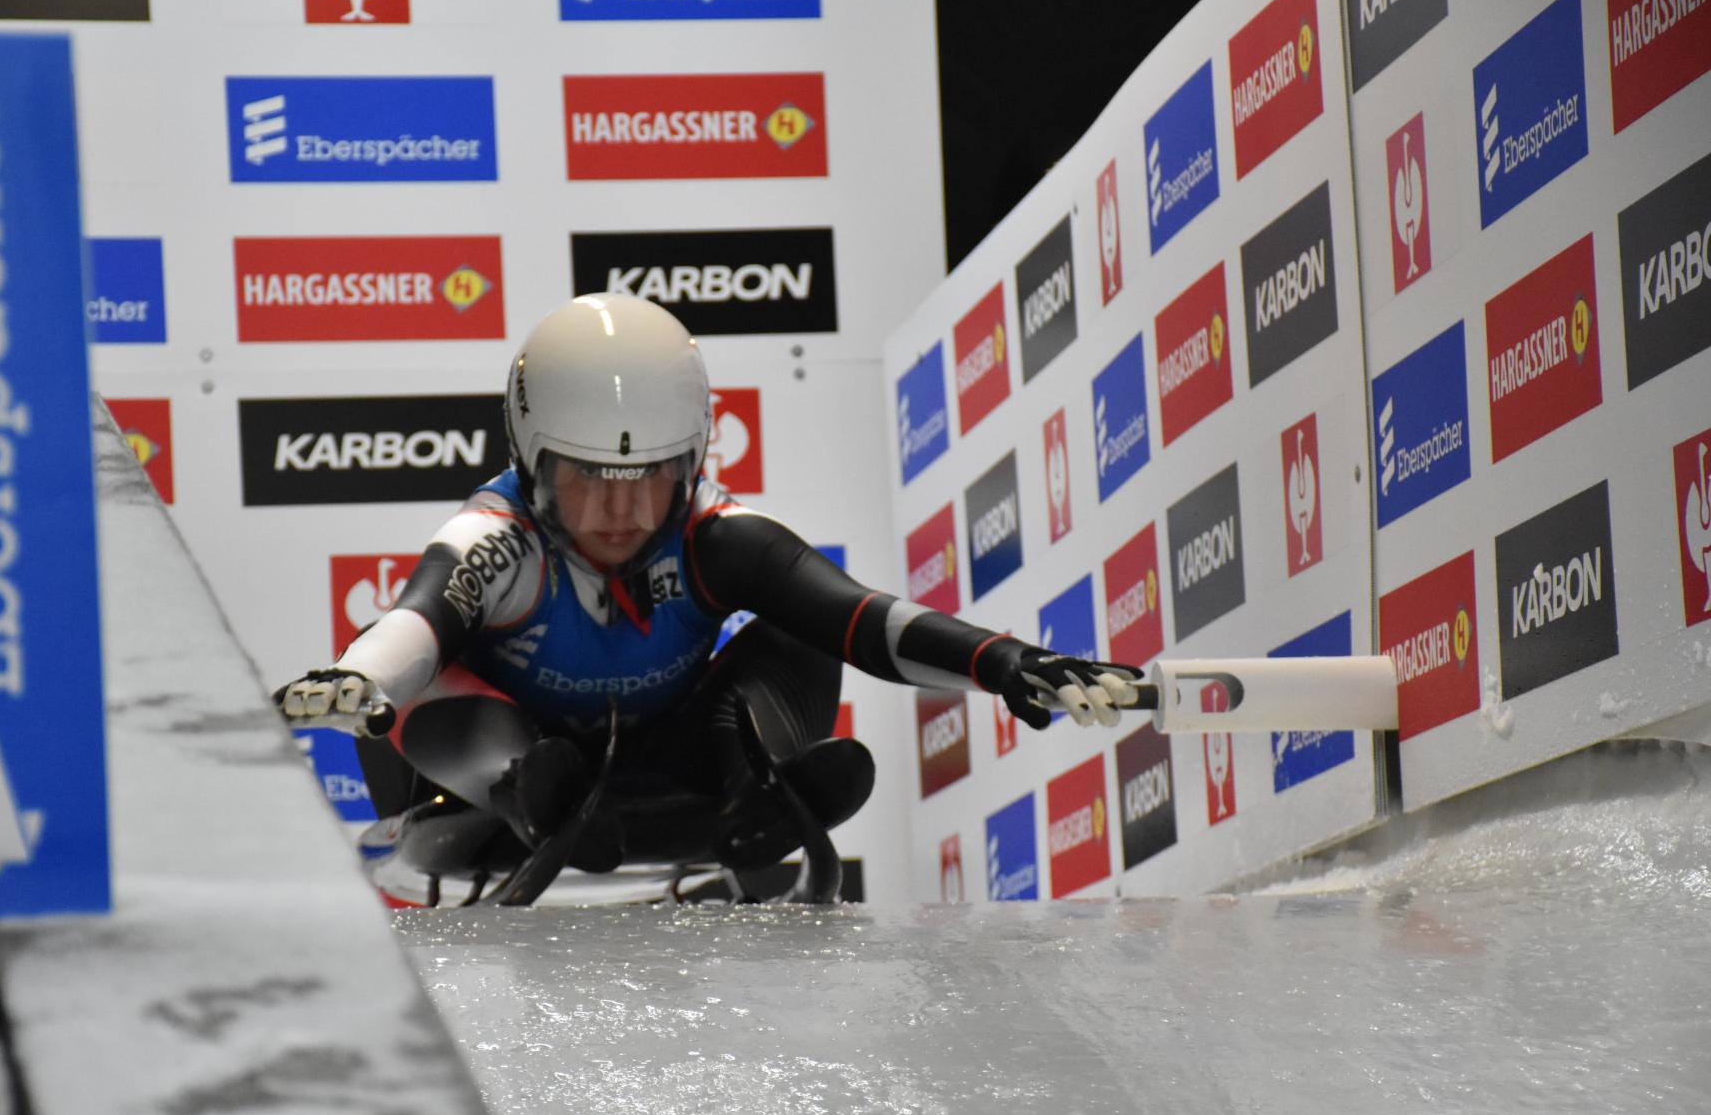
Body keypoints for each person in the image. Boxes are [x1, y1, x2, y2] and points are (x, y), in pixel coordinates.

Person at [277, 293, 1142, 905]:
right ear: (535, 463)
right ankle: (536, 798)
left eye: (647, 478)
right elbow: (416, 620)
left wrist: (1006, 664)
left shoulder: (718, 534)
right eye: (588, 478)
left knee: (802, 632)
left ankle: (750, 791)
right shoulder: (497, 534)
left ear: (689, 464)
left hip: (670, 765)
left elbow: (860, 616)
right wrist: (357, 680)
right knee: (415, 684)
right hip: (491, 783)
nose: (619, 510)